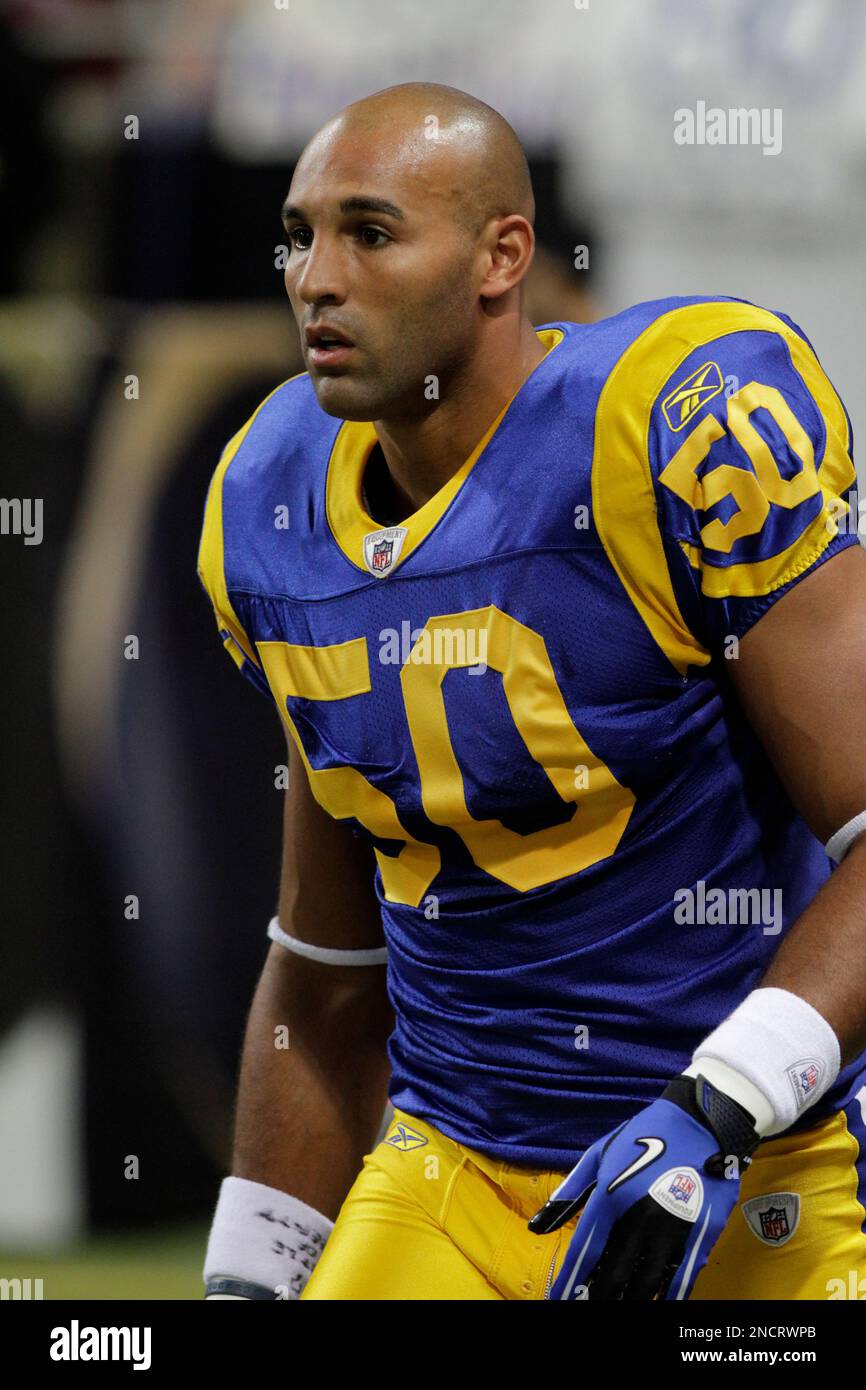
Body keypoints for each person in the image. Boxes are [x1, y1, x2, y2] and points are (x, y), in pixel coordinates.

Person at [197, 82, 866, 1300]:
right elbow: (325, 964)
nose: (314, 276)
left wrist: (721, 1100)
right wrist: (250, 1273)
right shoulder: (269, 497)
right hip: (451, 1165)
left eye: (371, 231)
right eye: (300, 234)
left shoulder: (669, 427)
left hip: (759, 1155)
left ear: (503, 253)